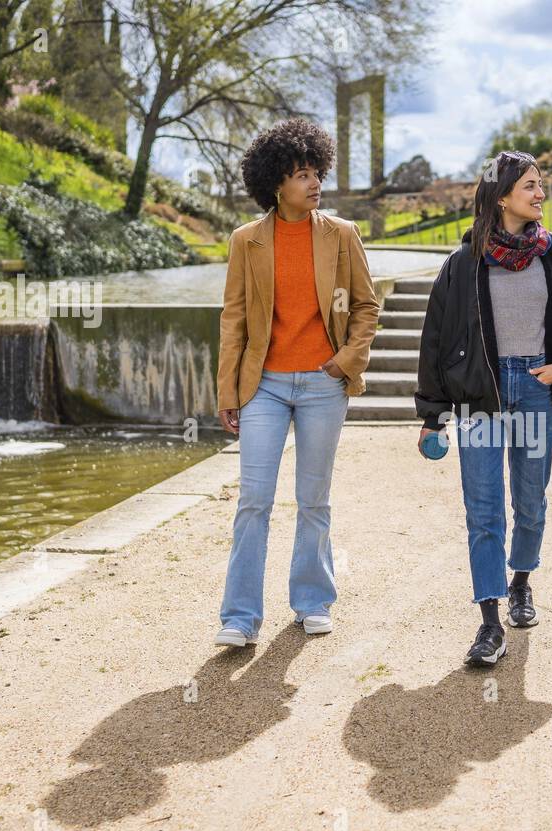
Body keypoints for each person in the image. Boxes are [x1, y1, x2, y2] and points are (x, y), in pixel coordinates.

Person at [416, 150, 552, 667]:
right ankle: (490, 620)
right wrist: (433, 414)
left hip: (537, 391)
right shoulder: (462, 264)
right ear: (501, 197)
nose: (541, 194)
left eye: (541, 186)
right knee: (484, 508)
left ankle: (521, 582)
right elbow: (436, 339)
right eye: (530, 186)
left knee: (531, 500)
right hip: (481, 402)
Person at [214, 118, 378, 647]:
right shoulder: (246, 242)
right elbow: (234, 319)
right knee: (254, 500)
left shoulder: (342, 235)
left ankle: (312, 602)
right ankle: (239, 618)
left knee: (313, 500)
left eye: (317, 172)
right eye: (302, 174)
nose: (314, 183)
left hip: (322, 386)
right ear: (276, 182)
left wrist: (345, 361)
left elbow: (365, 306)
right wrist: (227, 393)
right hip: (263, 386)